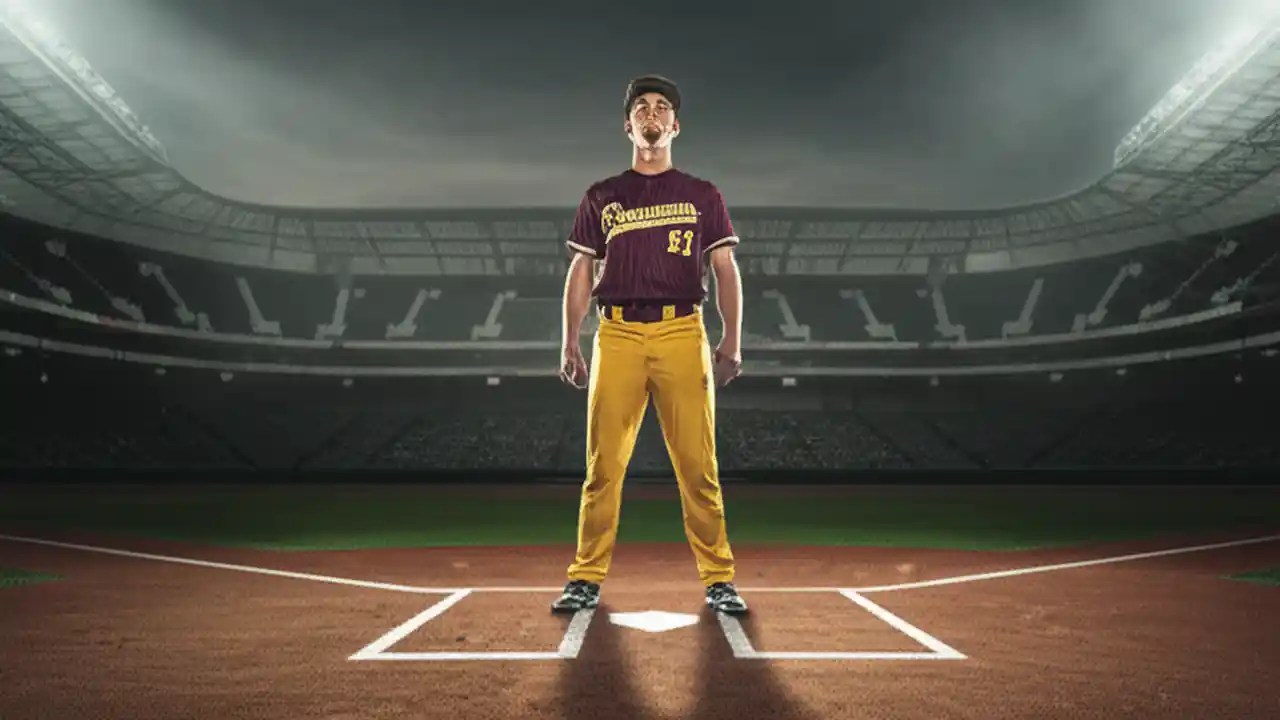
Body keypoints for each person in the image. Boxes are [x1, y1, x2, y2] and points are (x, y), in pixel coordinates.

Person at [552, 74, 748, 615]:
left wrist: (732, 339)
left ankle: (719, 579)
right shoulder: (602, 196)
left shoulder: (703, 195)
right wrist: (571, 341)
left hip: (683, 331)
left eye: (663, 106)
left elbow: (724, 268)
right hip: (614, 333)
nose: (652, 113)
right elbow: (580, 267)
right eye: (642, 106)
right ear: (628, 125)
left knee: (698, 465)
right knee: (603, 466)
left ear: (676, 125)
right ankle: (585, 577)